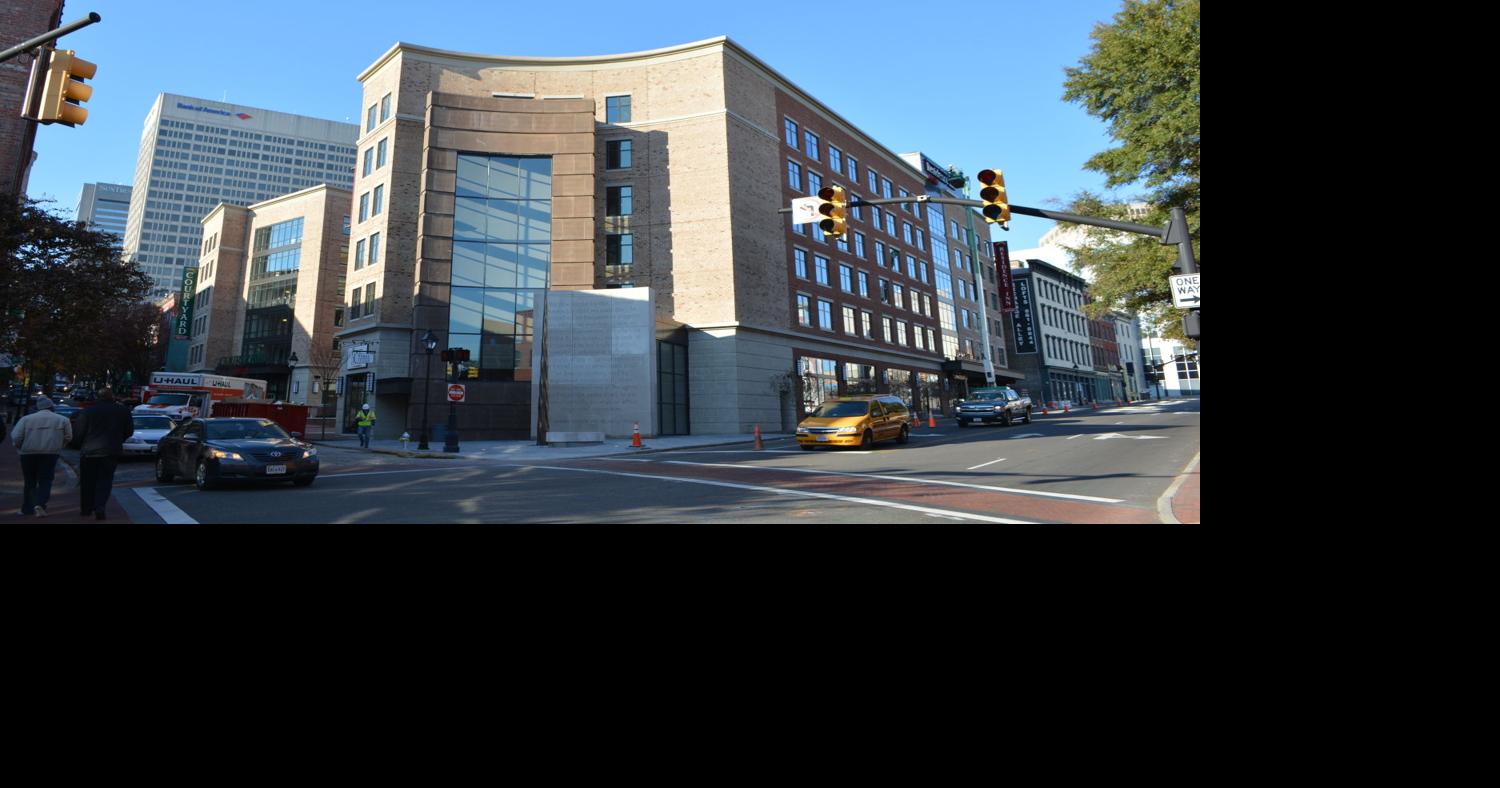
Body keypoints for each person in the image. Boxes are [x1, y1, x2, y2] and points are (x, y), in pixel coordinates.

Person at [70, 388, 133, 521]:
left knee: (87, 481)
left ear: (98, 397)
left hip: (90, 451)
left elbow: (78, 432)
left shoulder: (88, 411)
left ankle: (86, 508)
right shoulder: (122, 411)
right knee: (105, 480)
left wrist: (79, 444)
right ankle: (100, 506)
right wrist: (118, 439)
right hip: (111, 451)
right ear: (112, 397)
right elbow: (129, 431)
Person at [10, 395, 72, 517]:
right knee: (46, 480)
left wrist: (20, 447)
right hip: (50, 453)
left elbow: (16, 436)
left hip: (28, 453)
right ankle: (40, 503)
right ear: (51, 407)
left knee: (30, 481)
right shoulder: (62, 420)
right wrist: (58, 446)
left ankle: (27, 508)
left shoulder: (26, 419)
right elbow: (68, 437)